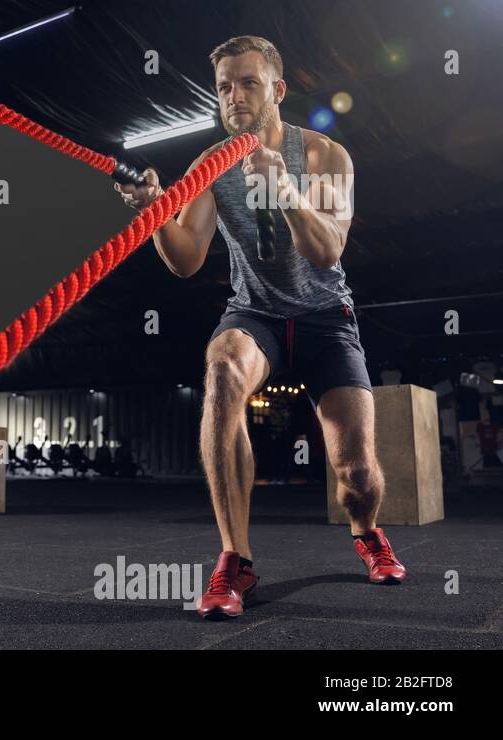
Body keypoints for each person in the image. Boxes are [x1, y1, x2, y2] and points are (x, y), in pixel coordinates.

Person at [115, 35, 406, 620]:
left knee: (357, 476)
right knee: (222, 366)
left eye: (248, 83)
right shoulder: (209, 168)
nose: (234, 96)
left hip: (326, 317)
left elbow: (327, 250)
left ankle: (367, 531)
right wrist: (152, 212)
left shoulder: (326, 156)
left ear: (277, 90)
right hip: (257, 314)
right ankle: (235, 558)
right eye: (224, 86)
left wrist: (284, 188)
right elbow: (187, 259)